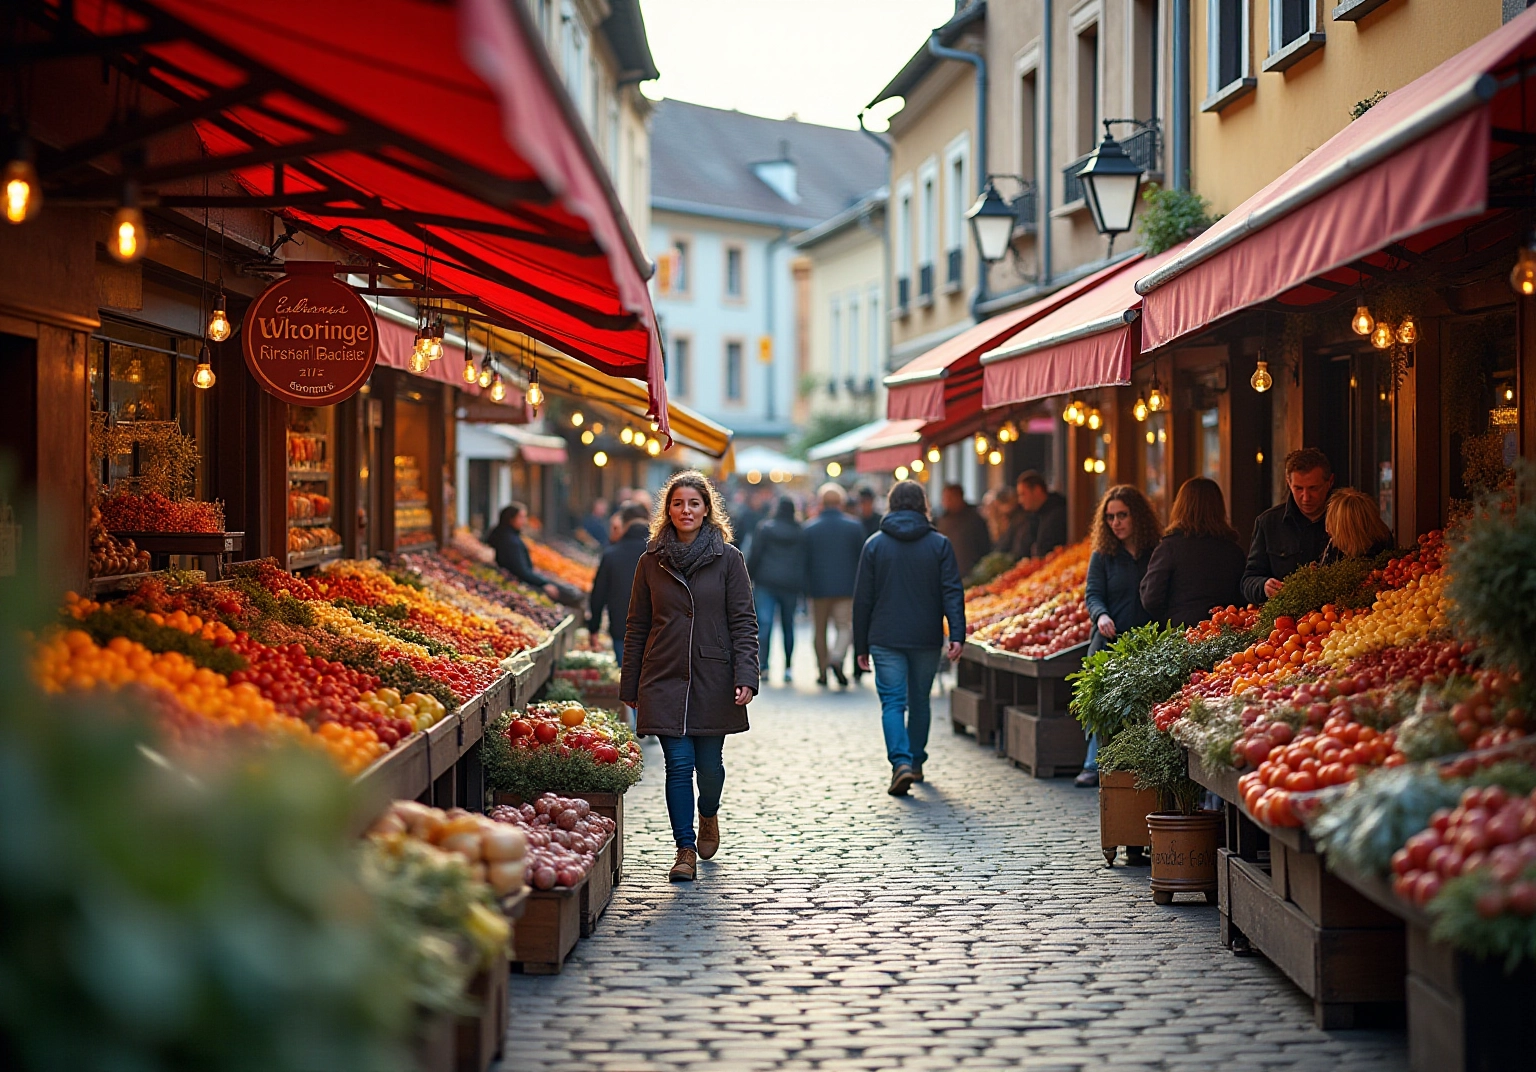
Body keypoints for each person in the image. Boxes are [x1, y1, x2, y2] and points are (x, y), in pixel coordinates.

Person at [620, 471, 758, 882]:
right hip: (662, 674)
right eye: (678, 503)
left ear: (706, 509)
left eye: (693, 503)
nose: (686, 510)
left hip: (714, 674)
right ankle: (684, 849)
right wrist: (630, 685)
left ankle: (709, 814)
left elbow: (744, 620)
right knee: (678, 765)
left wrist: (746, 673)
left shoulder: (729, 559)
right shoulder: (650, 561)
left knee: (709, 764)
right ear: (668, 510)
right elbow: (636, 625)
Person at [852, 480, 965, 797]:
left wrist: (860, 646)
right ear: (923, 505)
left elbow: (862, 600)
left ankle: (899, 762)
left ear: (890, 505)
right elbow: (952, 593)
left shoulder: (874, 544)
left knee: (892, 703)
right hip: (926, 637)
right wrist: (957, 633)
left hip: (884, 637)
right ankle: (915, 762)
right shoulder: (939, 544)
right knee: (919, 701)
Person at [1076, 485, 1162, 788]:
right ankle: (1094, 764)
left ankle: (1135, 767)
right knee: (1102, 706)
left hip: (1147, 644)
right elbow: (1093, 593)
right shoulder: (1103, 555)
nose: (1116, 523)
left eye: (1122, 515)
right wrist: (1101, 616)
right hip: (1109, 641)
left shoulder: (1156, 551)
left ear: (1137, 515)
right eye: (1110, 517)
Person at [1141, 477, 1247, 630]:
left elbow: (1151, 598)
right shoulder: (1233, 551)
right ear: (1219, 508)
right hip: (1223, 632)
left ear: (1180, 507)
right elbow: (1242, 598)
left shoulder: (1170, 547)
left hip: (1181, 633)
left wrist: (1171, 618)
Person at [1242, 448, 1335, 604]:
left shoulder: (1347, 520)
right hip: (1283, 622)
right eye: (1298, 488)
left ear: (1329, 482)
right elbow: (1248, 580)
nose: (1306, 497)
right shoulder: (1268, 523)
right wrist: (1263, 585)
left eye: (1313, 488)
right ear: (1288, 482)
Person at [802, 483, 867, 688]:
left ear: (821, 503)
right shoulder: (854, 526)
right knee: (844, 627)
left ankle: (822, 671)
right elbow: (863, 559)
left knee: (819, 631)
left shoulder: (809, 528)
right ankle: (837, 657)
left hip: (818, 588)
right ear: (841, 503)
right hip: (846, 588)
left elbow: (804, 561)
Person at [746, 496, 806, 684]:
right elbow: (804, 559)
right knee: (789, 625)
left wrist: (748, 577)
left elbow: (755, 554)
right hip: (790, 584)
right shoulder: (800, 531)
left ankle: (763, 665)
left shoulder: (765, 528)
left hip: (766, 582)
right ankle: (788, 666)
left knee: (764, 624)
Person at [587, 503, 649, 665]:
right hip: (659, 630)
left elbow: (598, 594)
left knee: (628, 680)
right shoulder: (662, 551)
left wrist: (594, 628)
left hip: (622, 628)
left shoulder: (611, 554)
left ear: (624, 523)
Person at [485, 503, 561, 600]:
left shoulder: (503, 534)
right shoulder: (510, 541)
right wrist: (544, 583)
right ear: (511, 519)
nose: (524, 521)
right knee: (569, 592)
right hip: (518, 583)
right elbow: (521, 571)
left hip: (516, 580)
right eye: (521, 517)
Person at [1319, 487, 1394, 564]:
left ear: (1350, 529)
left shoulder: (1382, 559)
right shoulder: (1335, 547)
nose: (1328, 531)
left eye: (1334, 527)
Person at [935, 484, 992, 580]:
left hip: (972, 574)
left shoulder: (975, 519)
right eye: (944, 498)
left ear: (959, 497)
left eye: (950, 498)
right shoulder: (941, 521)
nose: (946, 501)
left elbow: (985, 546)